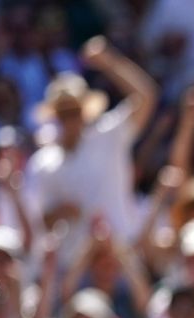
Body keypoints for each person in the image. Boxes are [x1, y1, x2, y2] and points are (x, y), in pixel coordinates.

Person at [26, 39, 156, 250]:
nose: (70, 119)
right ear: (56, 116)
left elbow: (146, 96)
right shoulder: (43, 163)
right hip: (76, 265)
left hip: (122, 253)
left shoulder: (110, 135)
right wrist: (61, 212)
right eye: (64, 113)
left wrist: (108, 62)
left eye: (74, 111)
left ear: (85, 111)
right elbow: (40, 222)